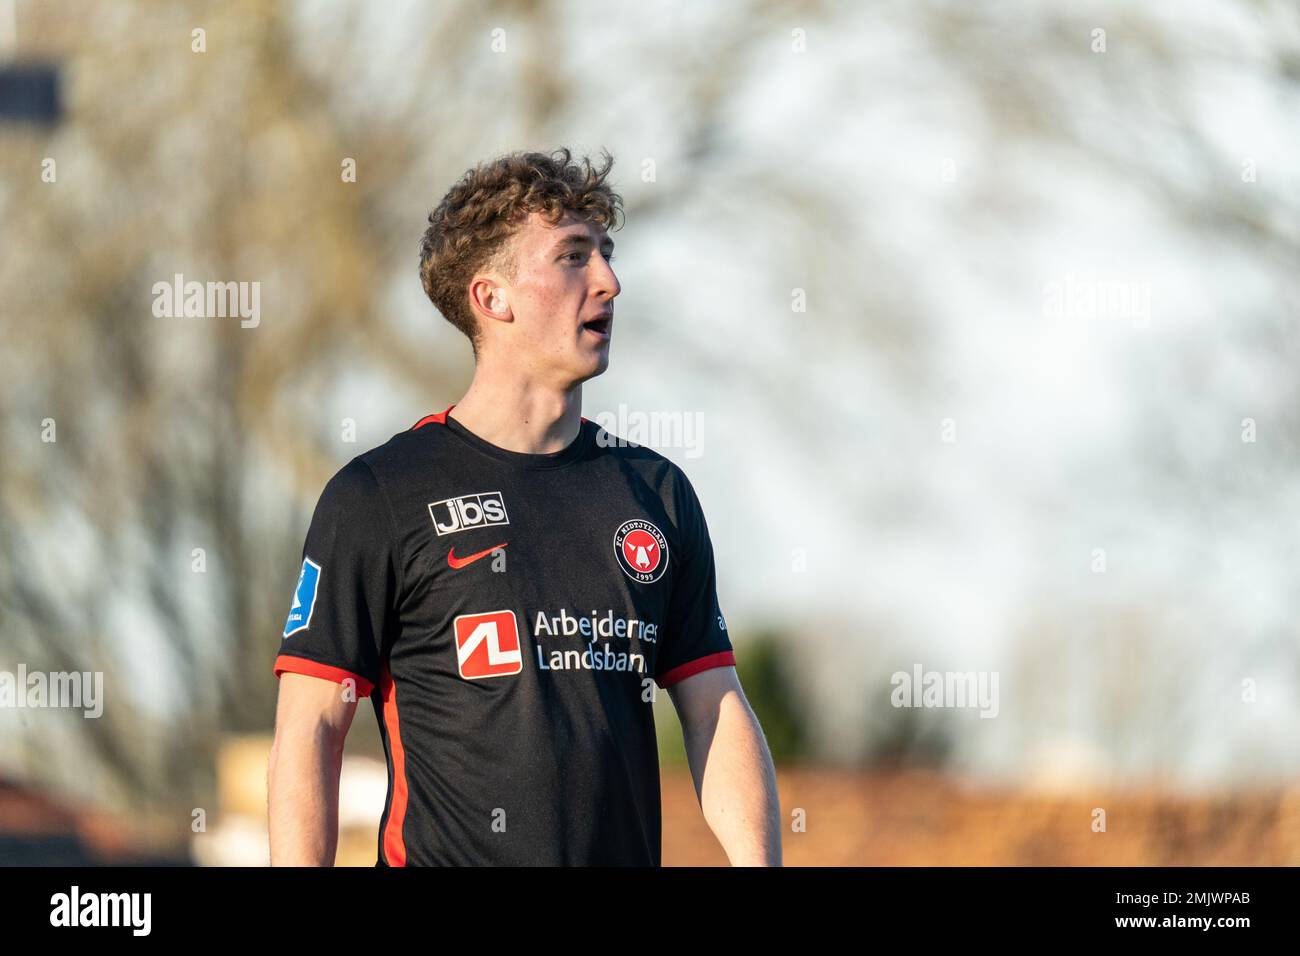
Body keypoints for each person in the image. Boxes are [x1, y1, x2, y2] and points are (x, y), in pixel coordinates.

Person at [267, 147, 781, 866]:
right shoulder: (379, 496)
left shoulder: (655, 494)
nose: (609, 280)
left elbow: (712, 706)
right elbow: (310, 731)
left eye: (604, 253)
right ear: (492, 298)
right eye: (573, 257)